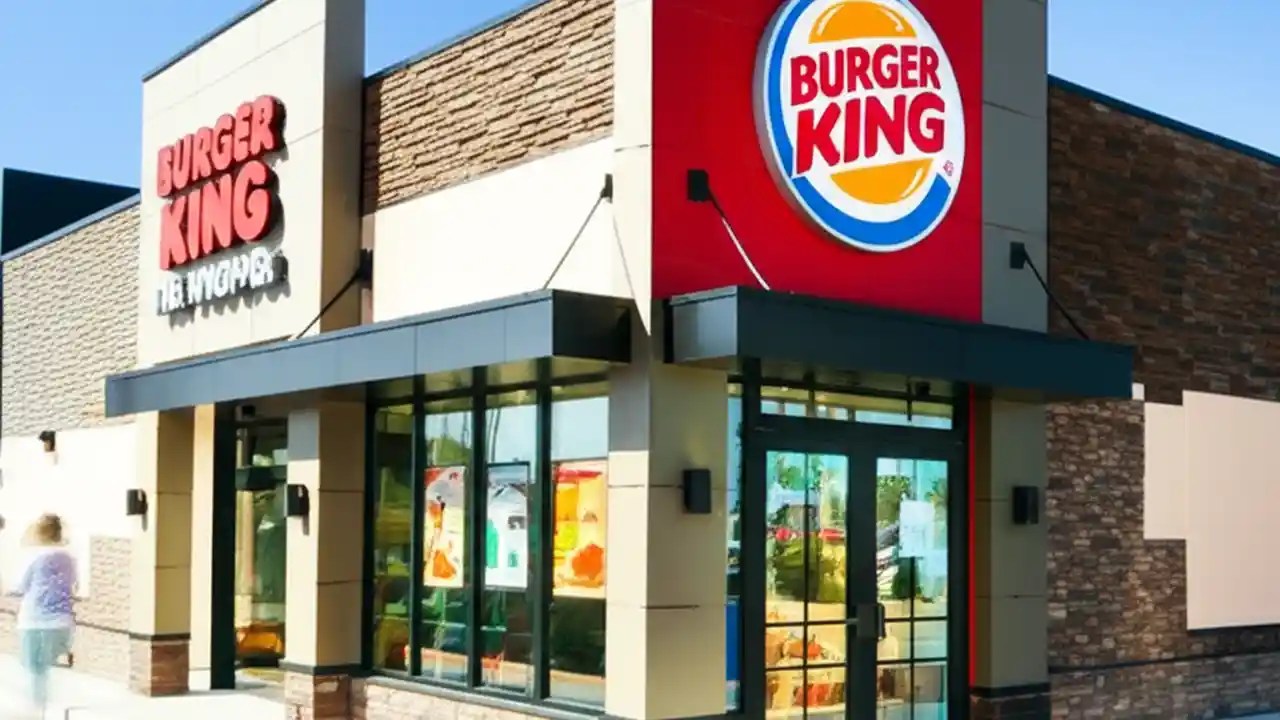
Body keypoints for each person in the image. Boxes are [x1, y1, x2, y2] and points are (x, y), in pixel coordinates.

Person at [8, 513, 77, 714]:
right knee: (53, 675)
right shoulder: (69, 558)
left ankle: (37, 714)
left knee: (34, 675)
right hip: (63, 623)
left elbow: (19, 585)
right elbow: (73, 585)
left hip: (35, 622)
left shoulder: (34, 556)